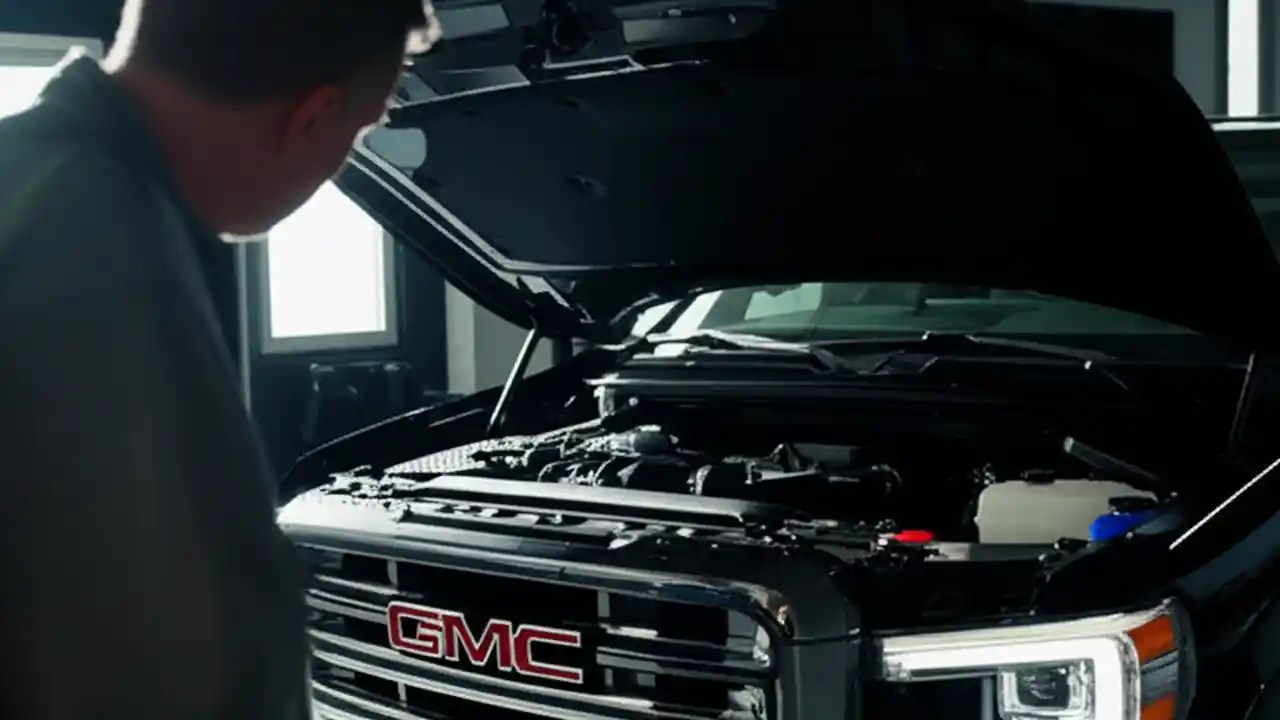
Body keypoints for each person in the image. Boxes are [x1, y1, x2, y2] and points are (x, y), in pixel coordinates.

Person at [0, 0, 440, 717]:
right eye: (360, 131)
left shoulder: (35, 181)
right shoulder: (96, 255)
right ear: (312, 118)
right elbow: (136, 656)